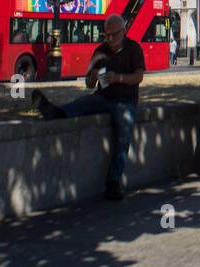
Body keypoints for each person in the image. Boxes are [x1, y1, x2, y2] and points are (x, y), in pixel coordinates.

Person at [31, 14, 145, 200]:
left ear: (123, 31)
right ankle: (55, 111)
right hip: (103, 96)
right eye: (107, 35)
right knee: (81, 103)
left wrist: (118, 78)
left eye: (114, 34)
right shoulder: (100, 51)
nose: (110, 39)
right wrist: (92, 77)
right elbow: (89, 84)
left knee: (123, 136)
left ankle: (112, 183)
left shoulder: (133, 49)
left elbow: (138, 76)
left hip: (125, 101)